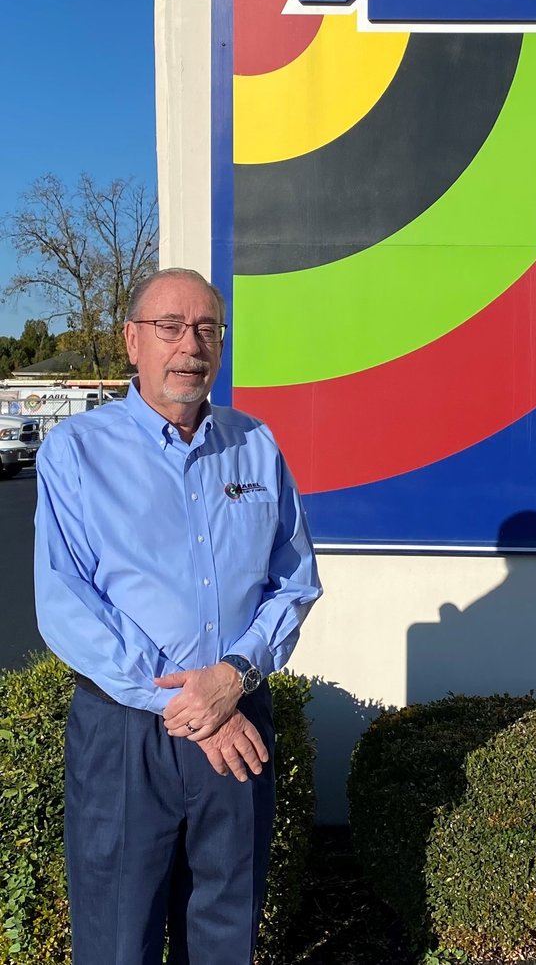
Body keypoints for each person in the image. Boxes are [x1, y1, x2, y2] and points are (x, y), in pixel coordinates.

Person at [33, 267, 322, 965]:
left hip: (238, 716)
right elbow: (65, 599)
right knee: (117, 940)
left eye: (206, 329)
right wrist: (191, 703)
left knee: (226, 934)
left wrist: (234, 674)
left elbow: (294, 582)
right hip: (127, 733)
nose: (190, 345)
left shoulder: (256, 445)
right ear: (133, 340)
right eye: (169, 327)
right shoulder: (76, 451)